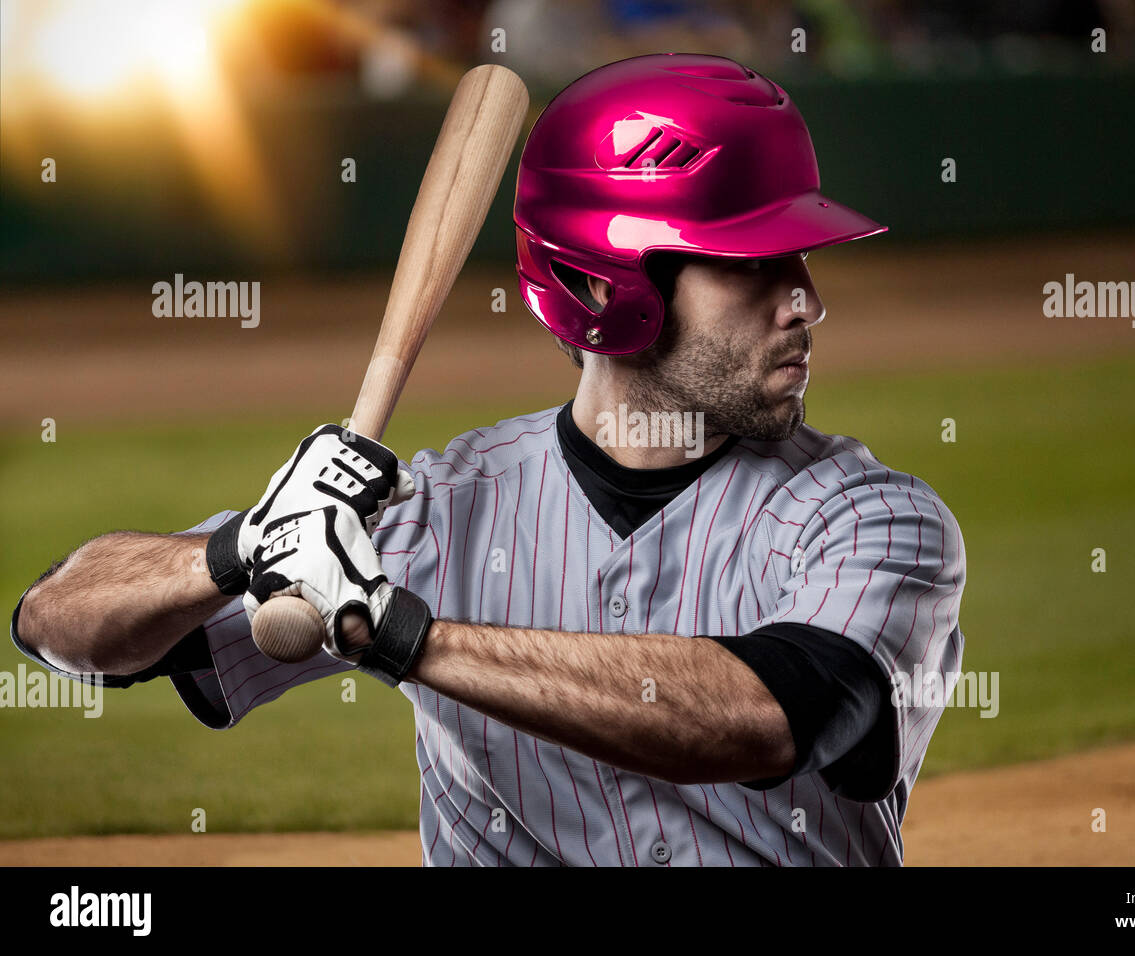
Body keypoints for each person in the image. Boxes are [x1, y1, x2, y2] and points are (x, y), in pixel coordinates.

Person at [13, 54, 965, 866]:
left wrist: (399, 633)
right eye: (753, 264)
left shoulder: (874, 518)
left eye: (800, 261)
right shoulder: (440, 511)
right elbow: (58, 625)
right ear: (604, 283)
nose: (805, 301)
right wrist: (236, 553)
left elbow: (767, 717)